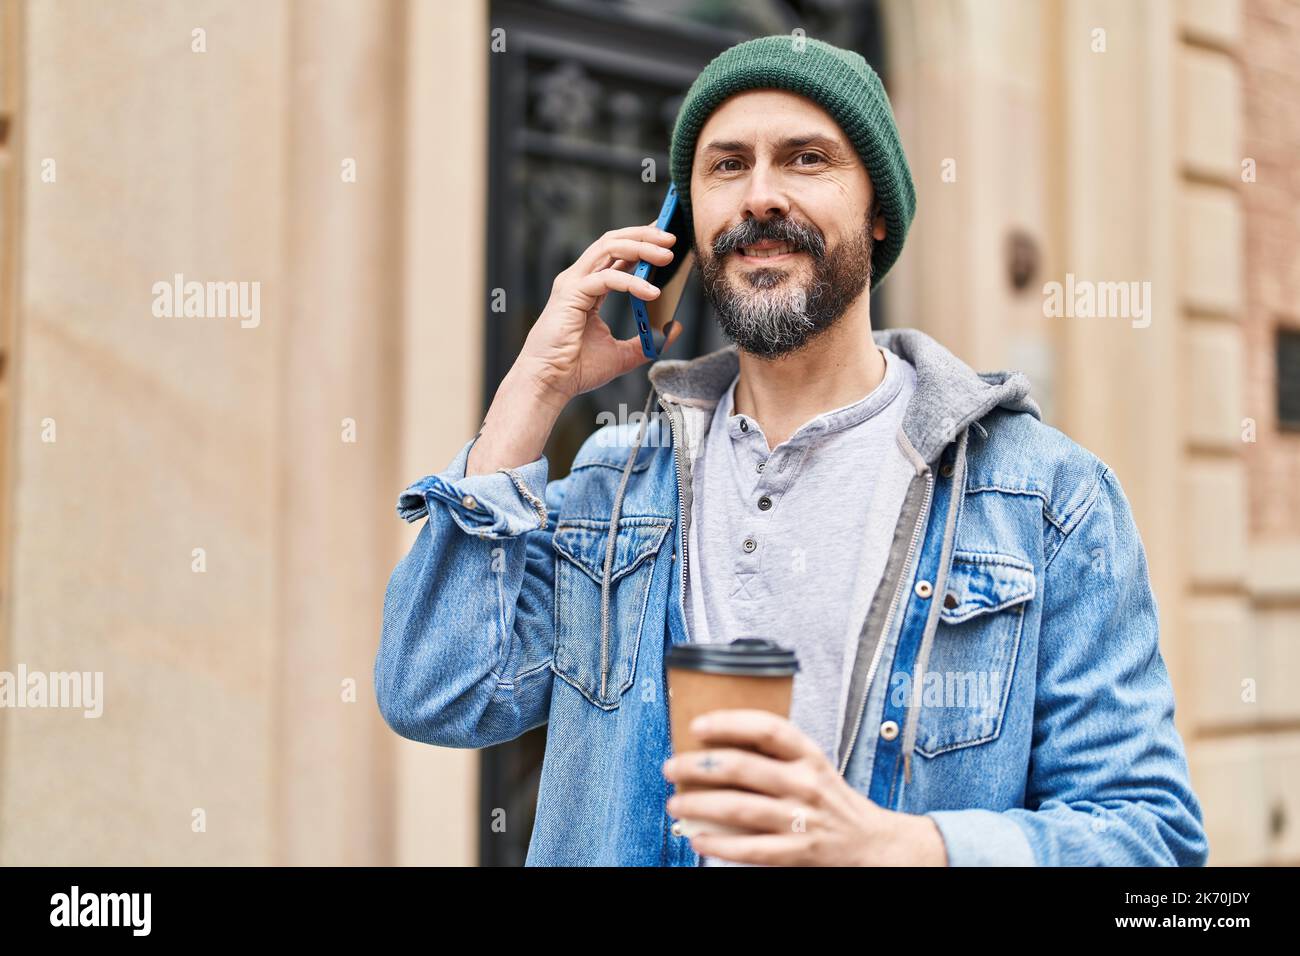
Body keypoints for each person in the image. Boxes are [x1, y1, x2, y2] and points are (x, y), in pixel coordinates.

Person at [375, 34, 1208, 867]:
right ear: (682, 224)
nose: (760, 197)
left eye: (806, 159)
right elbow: (438, 692)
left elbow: (1150, 838)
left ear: (880, 210)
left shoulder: (1049, 499)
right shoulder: (616, 481)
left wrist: (898, 848)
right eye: (726, 166)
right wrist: (533, 391)